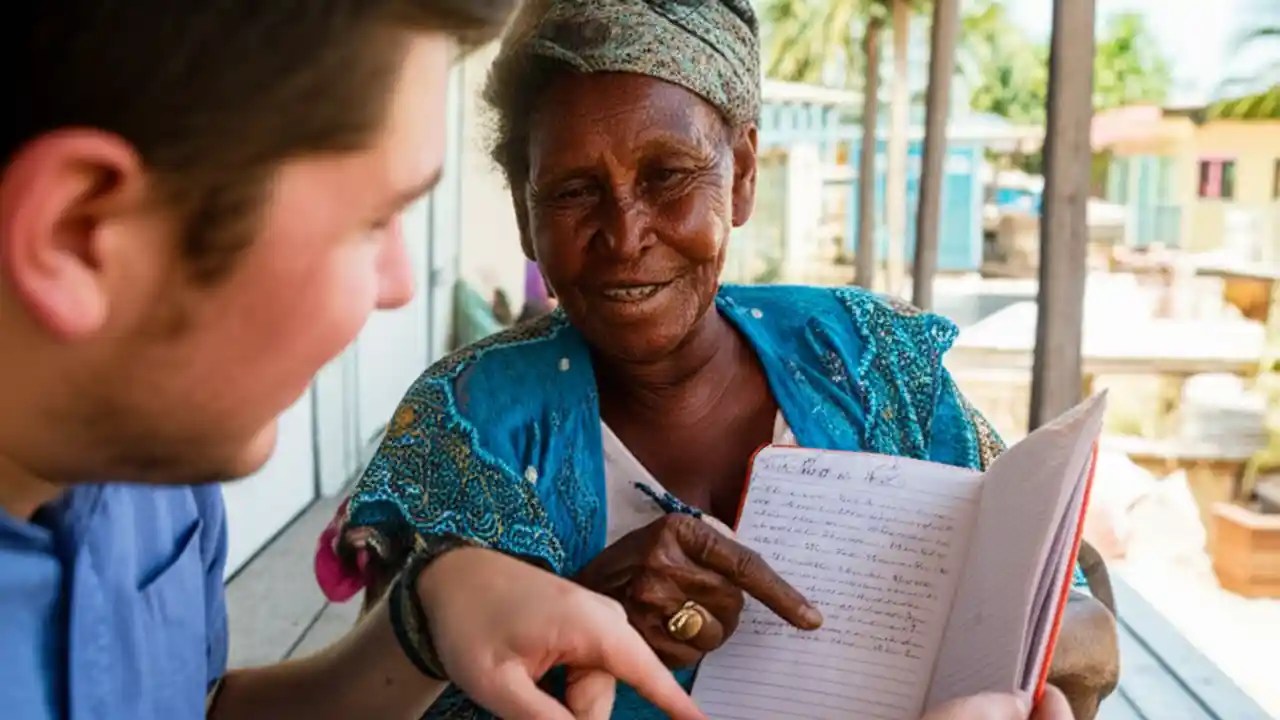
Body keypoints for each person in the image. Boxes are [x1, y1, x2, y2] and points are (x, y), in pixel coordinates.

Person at [318, 0, 1120, 718]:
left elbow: (1081, 624)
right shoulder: (466, 423)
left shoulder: (873, 365)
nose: (626, 235)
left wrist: (996, 677)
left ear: (739, 175)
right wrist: (577, 621)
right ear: (525, 218)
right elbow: (389, 696)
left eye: (668, 176)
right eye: (570, 191)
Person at [0, 3, 719, 719]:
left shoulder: (154, 472)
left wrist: (420, 628)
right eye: (373, 222)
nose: (400, 284)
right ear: (79, 234)